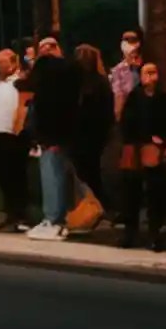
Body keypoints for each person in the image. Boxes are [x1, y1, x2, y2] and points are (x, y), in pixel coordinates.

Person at [24, 37, 81, 242]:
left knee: (52, 176)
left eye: (51, 46)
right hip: (53, 133)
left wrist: (52, 135)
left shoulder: (56, 72)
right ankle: (55, 219)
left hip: (54, 134)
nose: (46, 51)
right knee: (53, 176)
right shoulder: (60, 72)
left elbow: (55, 106)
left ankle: (54, 220)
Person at [119, 63, 166, 251]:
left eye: (153, 72)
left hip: (155, 149)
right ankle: (130, 232)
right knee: (131, 191)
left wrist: (162, 141)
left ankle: (155, 233)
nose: (150, 76)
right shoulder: (134, 97)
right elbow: (125, 121)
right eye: (147, 73)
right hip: (135, 148)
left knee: (156, 192)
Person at [0, 49, 29, 231]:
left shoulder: (20, 82)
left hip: (12, 135)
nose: (2, 66)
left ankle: (20, 214)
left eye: (4, 62)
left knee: (15, 175)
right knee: (0, 173)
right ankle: (10, 211)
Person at [73, 45, 114, 210]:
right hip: (88, 134)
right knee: (87, 172)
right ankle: (93, 205)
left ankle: (98, 205)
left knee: (88, 172)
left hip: (90, 134)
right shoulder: (94, 82)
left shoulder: (96, 83)